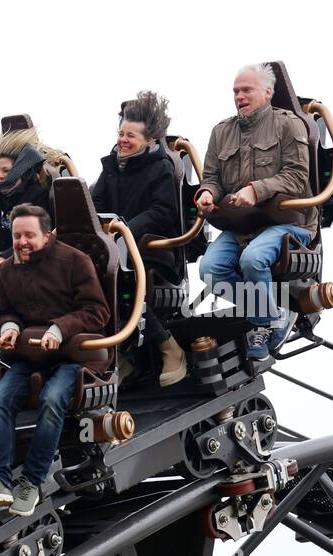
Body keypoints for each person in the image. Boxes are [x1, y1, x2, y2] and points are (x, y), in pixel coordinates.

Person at [0, 205, 109, 516]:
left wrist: (60, 329)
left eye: (29, 235)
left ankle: (31, 483)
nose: (22, 242)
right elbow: (6, 311)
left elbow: (97, 311)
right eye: (16, 236)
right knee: (0, 400)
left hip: (73, 356)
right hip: (31, 355)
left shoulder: (74, 261)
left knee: (53, 400)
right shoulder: (7, 270)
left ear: (48, 235)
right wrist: (10, 328)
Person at [196, 63, 316, 360]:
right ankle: (271, 315)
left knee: (253, 259)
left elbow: (297, 176)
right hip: (242, 224)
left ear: (267, 92)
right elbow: (211, 176)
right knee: (210, 271)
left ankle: (263, 324)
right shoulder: (221, 131)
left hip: (288, 221)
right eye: (235, 91)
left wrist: (256, 190)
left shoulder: (288, 124)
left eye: (246, 90)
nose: (239, 96)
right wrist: (207, 193)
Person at [90, 90, 189, 387]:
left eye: (130, 136)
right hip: (115, 247)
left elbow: (162, 212)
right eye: (121, 134)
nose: (123, 140)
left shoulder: (161, 167)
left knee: (123, 278)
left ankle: (169, 347)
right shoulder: (110, 168)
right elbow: (95, 205)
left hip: (151, 248)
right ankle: (123, 355)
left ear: (148, 141)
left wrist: (124, 231)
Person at [0, 129, 59, 257]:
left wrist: (5, 257)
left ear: (19, 170)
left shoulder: (38, 197)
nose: (0, 176)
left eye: (6, 171)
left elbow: (39, 238)